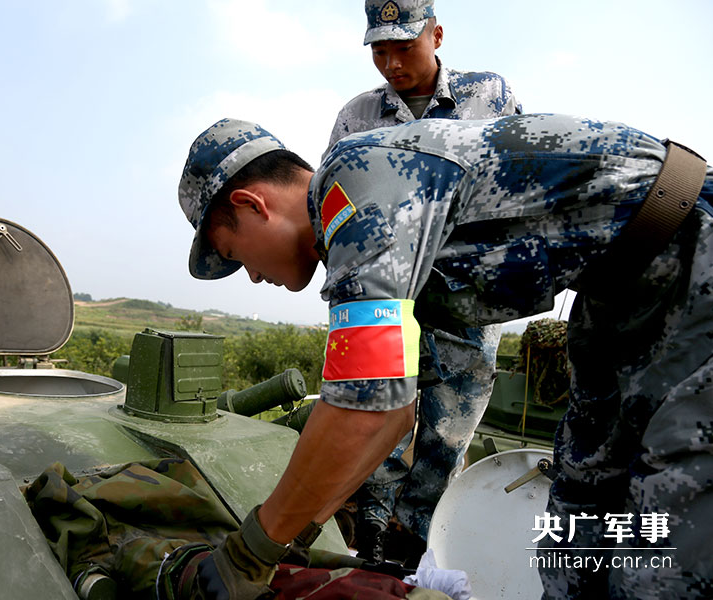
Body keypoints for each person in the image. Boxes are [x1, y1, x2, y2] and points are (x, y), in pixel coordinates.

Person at [177, 114, 712, 599]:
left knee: (667, 546)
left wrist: (252, 549)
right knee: (580, 520)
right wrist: (298, 530)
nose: (249, 274)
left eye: (232, 252)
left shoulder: (353, 184)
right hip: (620, 293)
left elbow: (365, 409)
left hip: (689, 255)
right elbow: (392, 416)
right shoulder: (376, 237)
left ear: (252, 204)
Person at [324, 0, 523, 563]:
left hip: (466, 297)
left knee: (447, 433)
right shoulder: (356, 117)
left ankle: (421, 548)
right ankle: (370, 540)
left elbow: (512, 187)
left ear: (437, 35)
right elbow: (336, 205)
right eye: (379, 50)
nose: (391, 63)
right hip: (386, 293)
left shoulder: (489, 95)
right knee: (375, 416)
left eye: (403, 46)